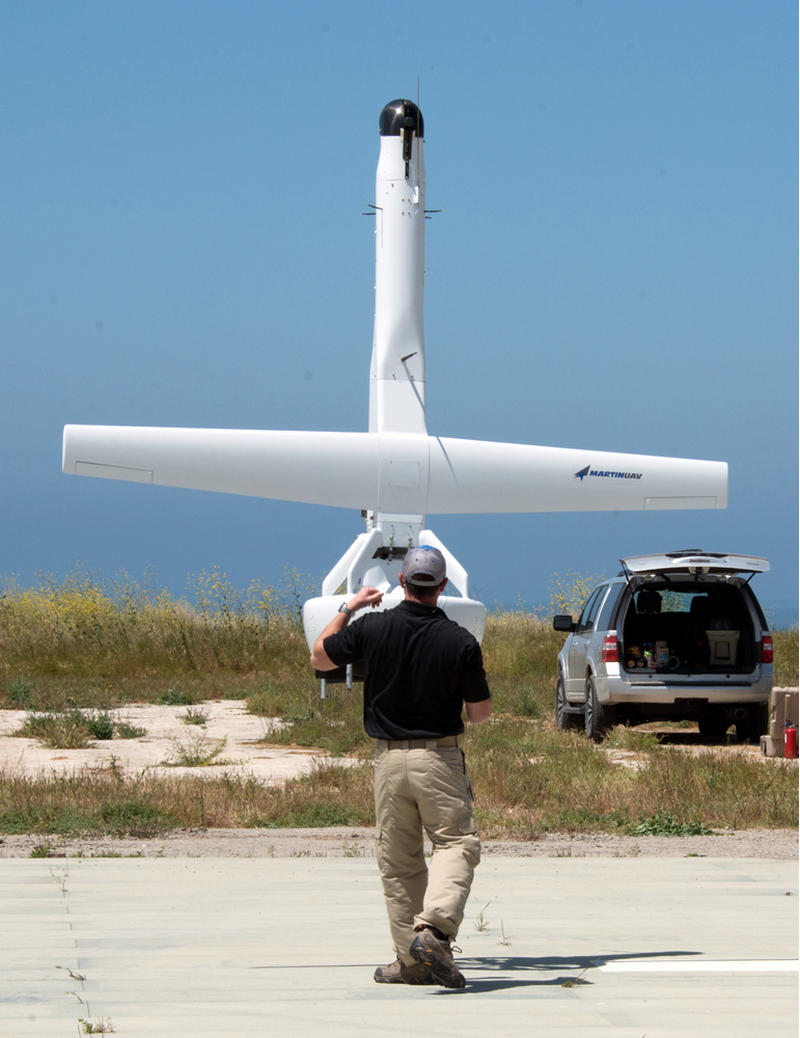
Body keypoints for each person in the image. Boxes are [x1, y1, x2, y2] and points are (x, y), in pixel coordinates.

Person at [310, 545, 492, 989]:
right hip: (439, 758)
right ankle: (434, 930)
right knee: (455, 843)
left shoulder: (373, 627)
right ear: (442, 586)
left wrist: (350, 606)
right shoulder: (460, 641)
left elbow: (320, 657)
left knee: (398, 861)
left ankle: (411, 962)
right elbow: (480, 714)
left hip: (388, 761)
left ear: (402, 582)